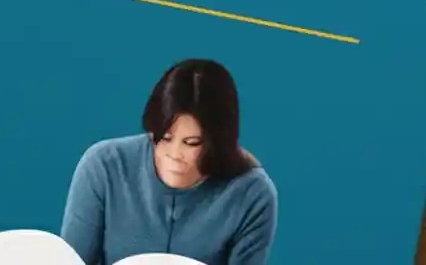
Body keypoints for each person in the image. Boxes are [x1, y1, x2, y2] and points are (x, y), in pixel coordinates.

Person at [59, 59, 278, 265]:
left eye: (191, 143)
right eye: (165, 138)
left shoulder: (253, 194)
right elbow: (73, 260)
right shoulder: (104, 166)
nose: (174, 154)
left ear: (218, 141)